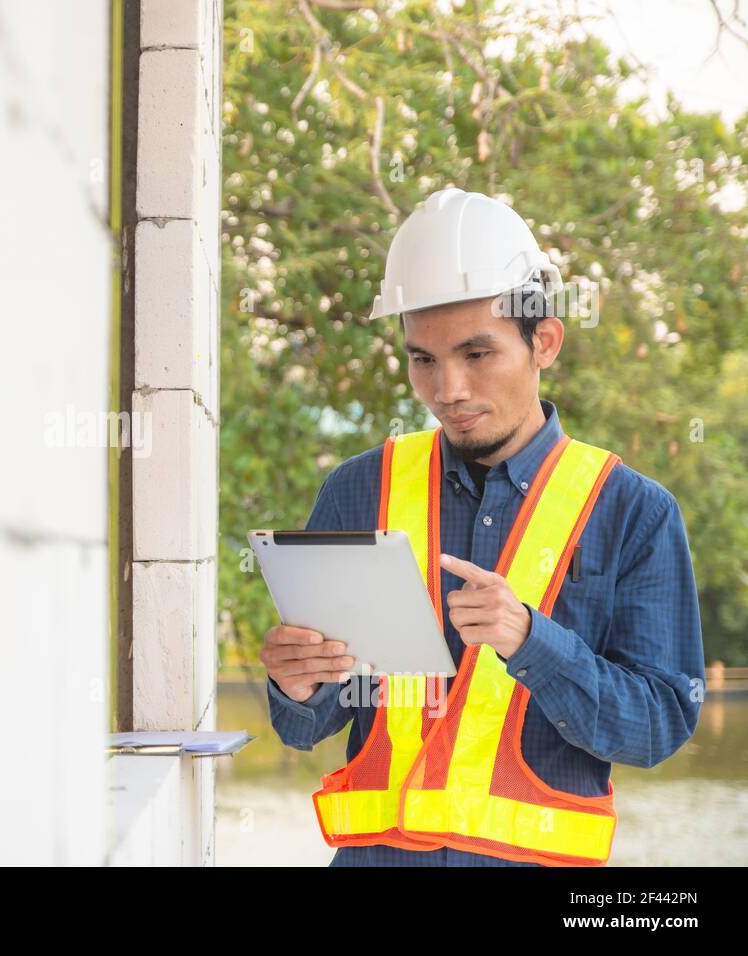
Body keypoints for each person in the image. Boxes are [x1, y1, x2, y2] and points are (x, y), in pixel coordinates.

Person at [260, 188, 704, 867]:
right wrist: (298, 683)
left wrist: (533, 641)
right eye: (423, 360)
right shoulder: (357, 491)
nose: (449, 390)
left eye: (477, 354)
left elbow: (657, 726)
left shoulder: (633, 512)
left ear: (543, 341)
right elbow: (311, 722)